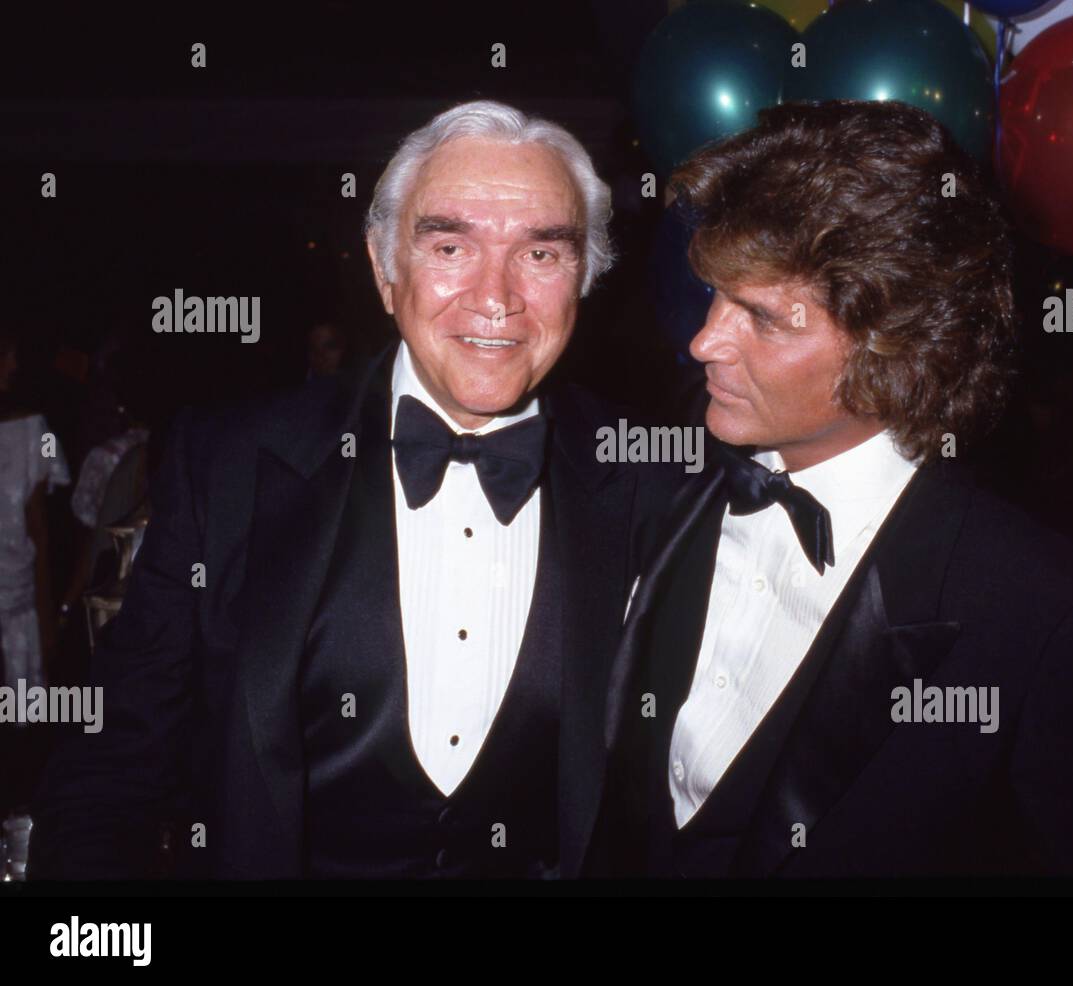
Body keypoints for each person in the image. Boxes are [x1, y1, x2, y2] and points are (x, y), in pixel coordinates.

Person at [30, 100, 679, 879]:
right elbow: (115, 758)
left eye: (542, 255)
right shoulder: (230, 461)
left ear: (585, 277)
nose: (496, 297)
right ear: (384, 269)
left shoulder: (657, 482)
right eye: (450, 246)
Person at [598, 100, 1073, 878]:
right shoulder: (655, 493)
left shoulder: (1043, 611)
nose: (704, 341)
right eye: (714, 294)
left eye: (764, 319)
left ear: (893, 345)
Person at [0, 327, 71, 696]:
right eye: (6, 354)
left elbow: (39, 528)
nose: (13, 365)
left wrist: (47, 616)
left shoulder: (33, 431)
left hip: (17, 610)